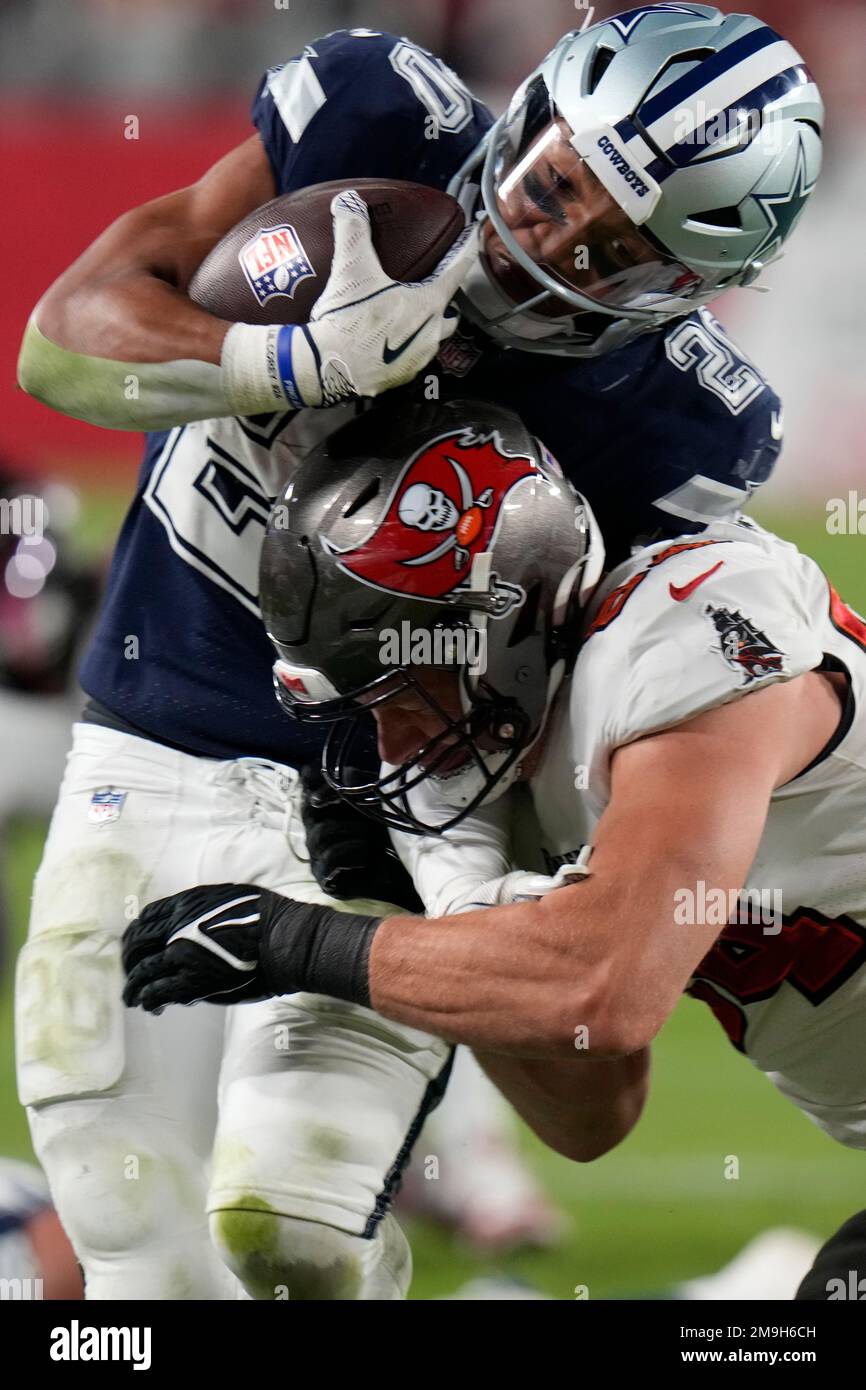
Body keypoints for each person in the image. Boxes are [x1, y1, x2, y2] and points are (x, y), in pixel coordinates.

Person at [16, 10, 822, 1298]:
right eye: (557, 184)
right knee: (137, 1256)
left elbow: (544, 707)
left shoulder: (679, 428)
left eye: (616, 251)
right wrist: (272, 358)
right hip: (153, 738)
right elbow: (61, 338)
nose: (552, 241)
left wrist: (462, 873)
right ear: (534, 114)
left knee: (294, 1242)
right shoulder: (374, 130)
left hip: (379, 804)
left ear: (682, 287)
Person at [123, 395, 866, 1251]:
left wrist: (302, 946)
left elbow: (604, 989)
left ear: (501, 624)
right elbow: (590, 1112)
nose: (389, 740)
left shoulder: (692, 630)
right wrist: (421, 909)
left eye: (401, 691)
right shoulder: (497, 767)